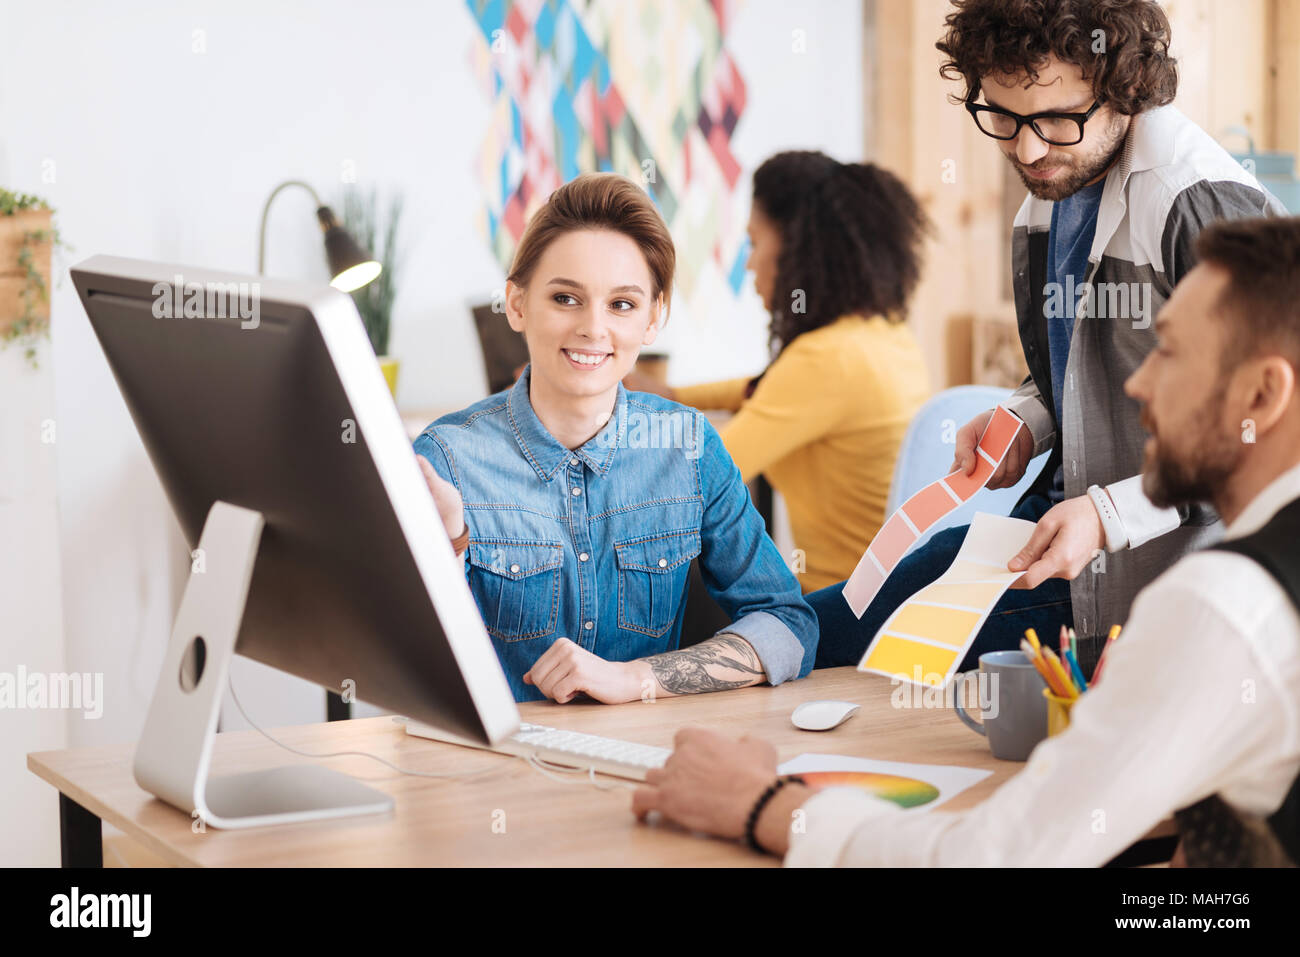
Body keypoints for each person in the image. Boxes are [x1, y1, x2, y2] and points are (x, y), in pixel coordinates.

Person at [632, 216, 1300, 866]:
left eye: (1171, 352)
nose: (1136, 382)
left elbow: (988, 858)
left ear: (1264, 393)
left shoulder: (1226, 604)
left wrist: (763, 803)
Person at [809, 0, 1286, 669]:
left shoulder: (1198, 204)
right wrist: (1026, 418)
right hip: (1057, 526)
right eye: (1001, 115)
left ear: (1129, 89)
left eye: (1058, 119)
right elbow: (1077, 368)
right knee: (844, 618)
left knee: (838, 633)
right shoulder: (1051, 195)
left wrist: (1105, 514)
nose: (1027, 149)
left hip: (1145, 568)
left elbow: (1263, 434)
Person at [414, 172, 817, 704]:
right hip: (494, 769)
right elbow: (410, 667)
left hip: (646, 761)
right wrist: (448, 545)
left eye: (622, 305)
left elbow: (789, 623)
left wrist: (639, 678)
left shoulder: (688, 447)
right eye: (565, 298)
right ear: (516, 304)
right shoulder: (446, 459)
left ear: (654, 318)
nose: (593, 328)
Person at [624, 152, 930, 593]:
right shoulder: (884, 337)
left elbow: (692, 479)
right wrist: (671, 393)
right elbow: (761, 387)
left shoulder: (825, 361)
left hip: (841, 608)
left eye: (754, 242)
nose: (749, 263)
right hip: (892, 602)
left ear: (798, 250)